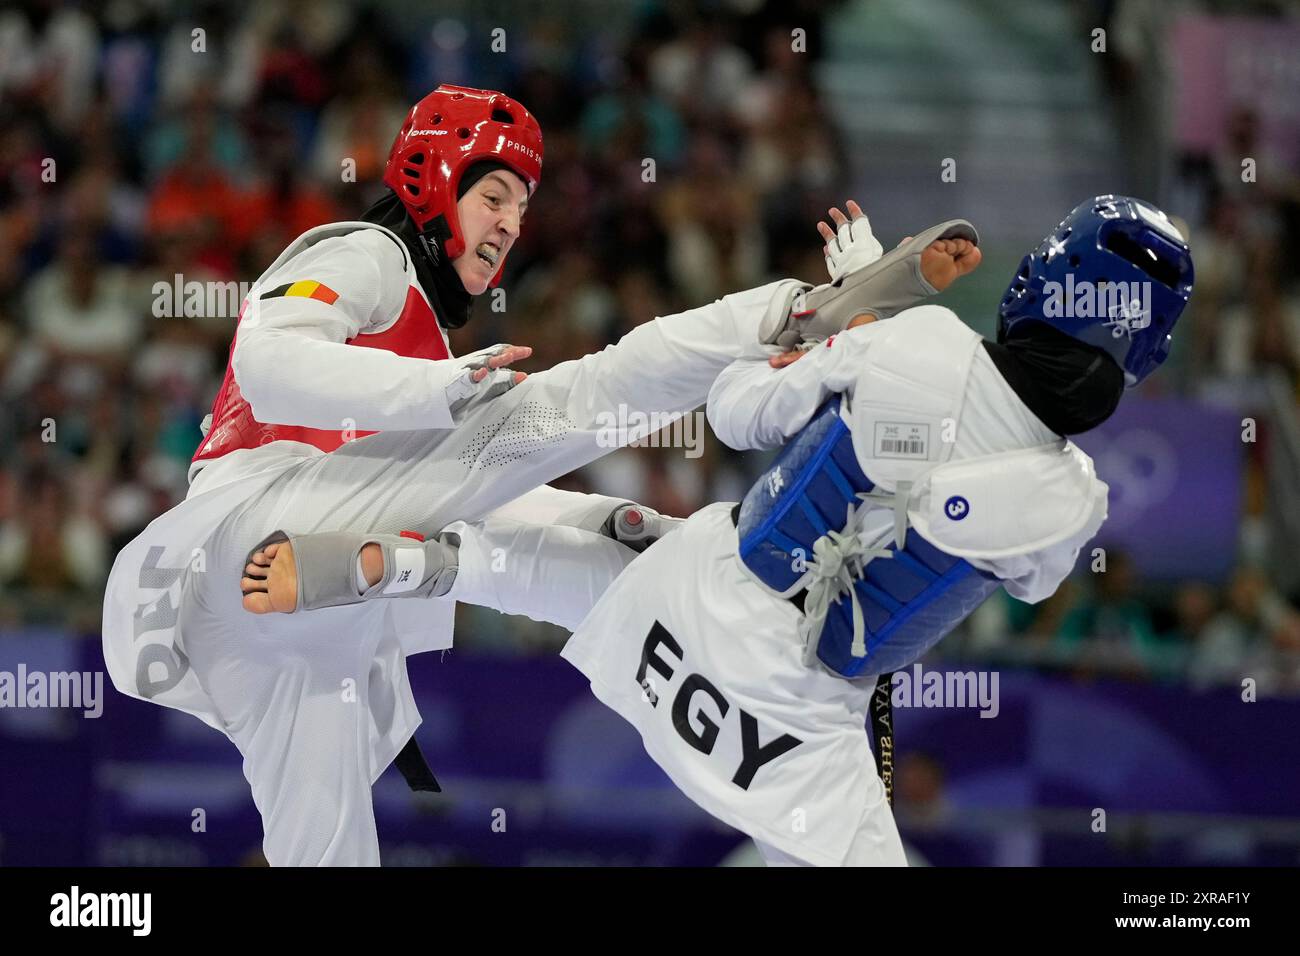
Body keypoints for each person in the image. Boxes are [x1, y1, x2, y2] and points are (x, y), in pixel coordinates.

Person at [102, 79, 966, 862]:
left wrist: (609, 524)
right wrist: (436, 391)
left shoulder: (424, 349)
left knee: (607, 552)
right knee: (555, 410)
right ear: (431, 183)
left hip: (283, 621)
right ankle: (804, 310)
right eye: (493, 195)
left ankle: (734, 598)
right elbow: (268, 360)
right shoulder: (367, 254)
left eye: (521, 207)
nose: (512, 223)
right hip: (248, 526)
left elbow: (455, 495)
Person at [557, 195, 1194, 866]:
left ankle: (449, 559)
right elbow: (1029, 577)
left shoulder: (916, 336)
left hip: (692, 603)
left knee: (530, 550)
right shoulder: (1074, 505)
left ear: (1037, 282)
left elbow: (733, 412)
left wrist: (848, 321)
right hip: (801, 734)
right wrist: (868, 331)